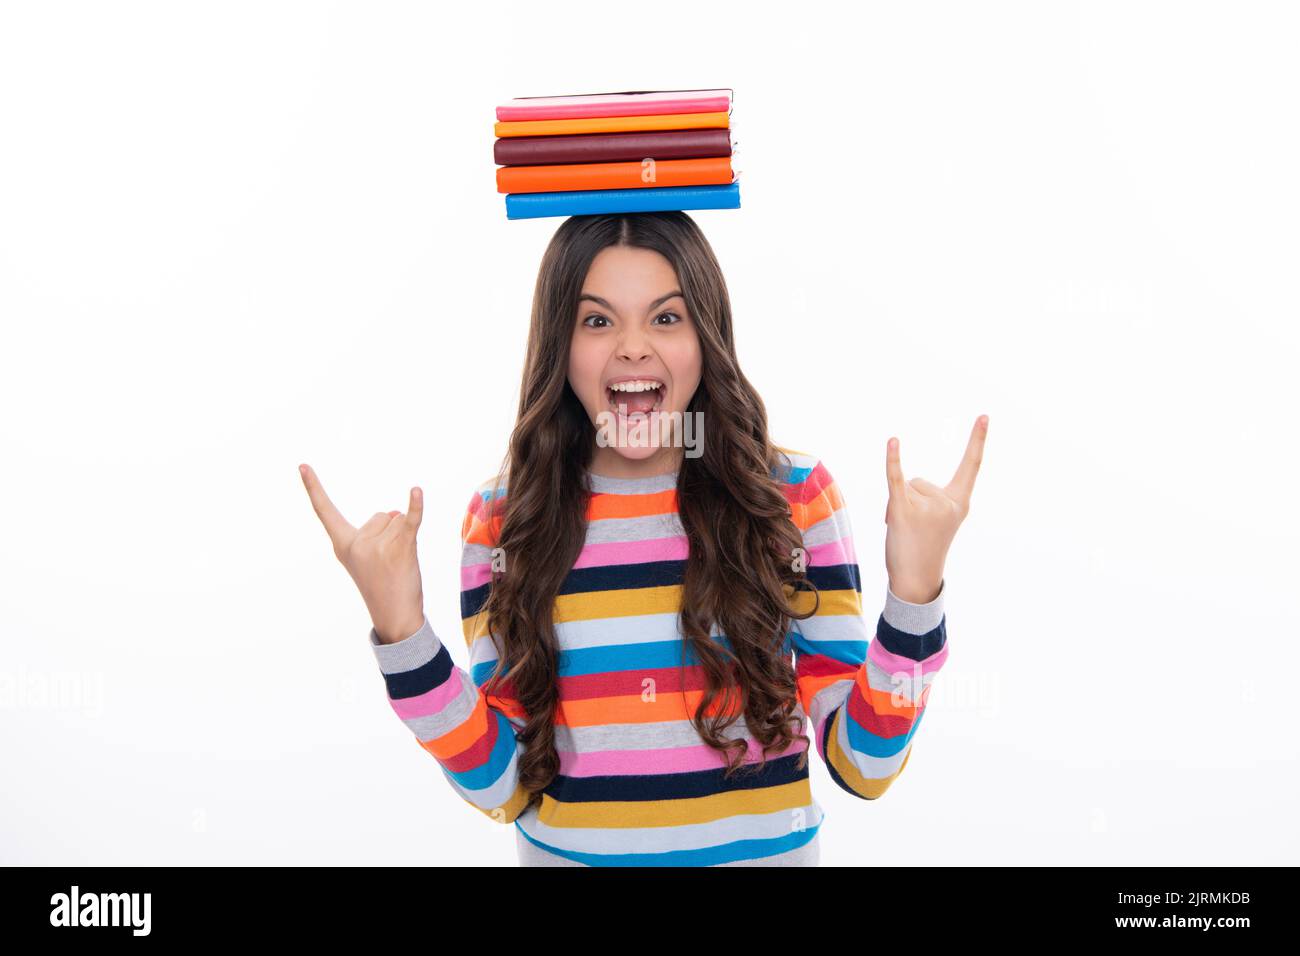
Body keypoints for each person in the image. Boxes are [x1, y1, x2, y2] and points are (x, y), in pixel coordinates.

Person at [300, 211, 988, 866]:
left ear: (707, 337)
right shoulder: (507, 518)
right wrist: (402, 632)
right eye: (597, 320)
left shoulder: (792, 499)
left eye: (666, 316)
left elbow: (863, 765)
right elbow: (501, 786)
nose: (633, 346)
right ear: (559, 347)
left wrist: (914, 596)